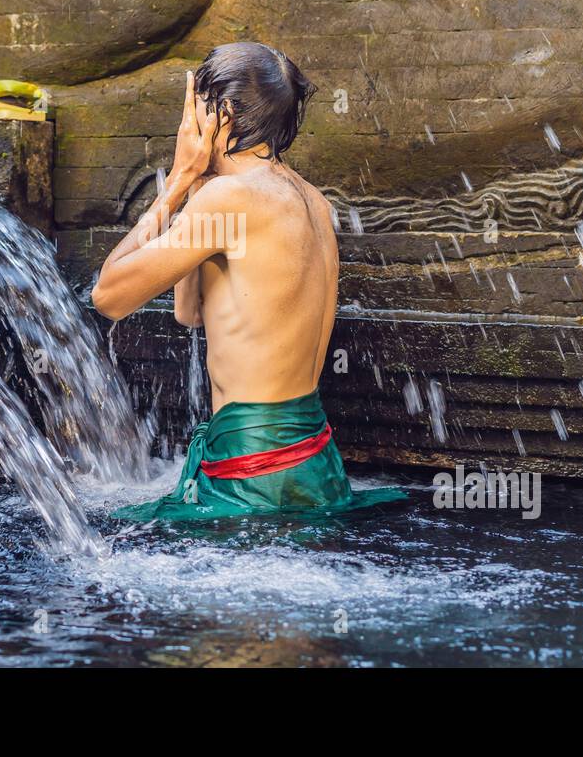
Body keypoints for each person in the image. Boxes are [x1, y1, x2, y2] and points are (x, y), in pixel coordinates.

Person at [91, 41, 404, 521]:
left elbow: (108, 296)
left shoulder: (233, 198)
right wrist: (197, 186)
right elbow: (190, 313)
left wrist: (176, 180)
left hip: (252, 474)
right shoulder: (310, 198)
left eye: (195, 109)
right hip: (314, 463)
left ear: (222, 114)